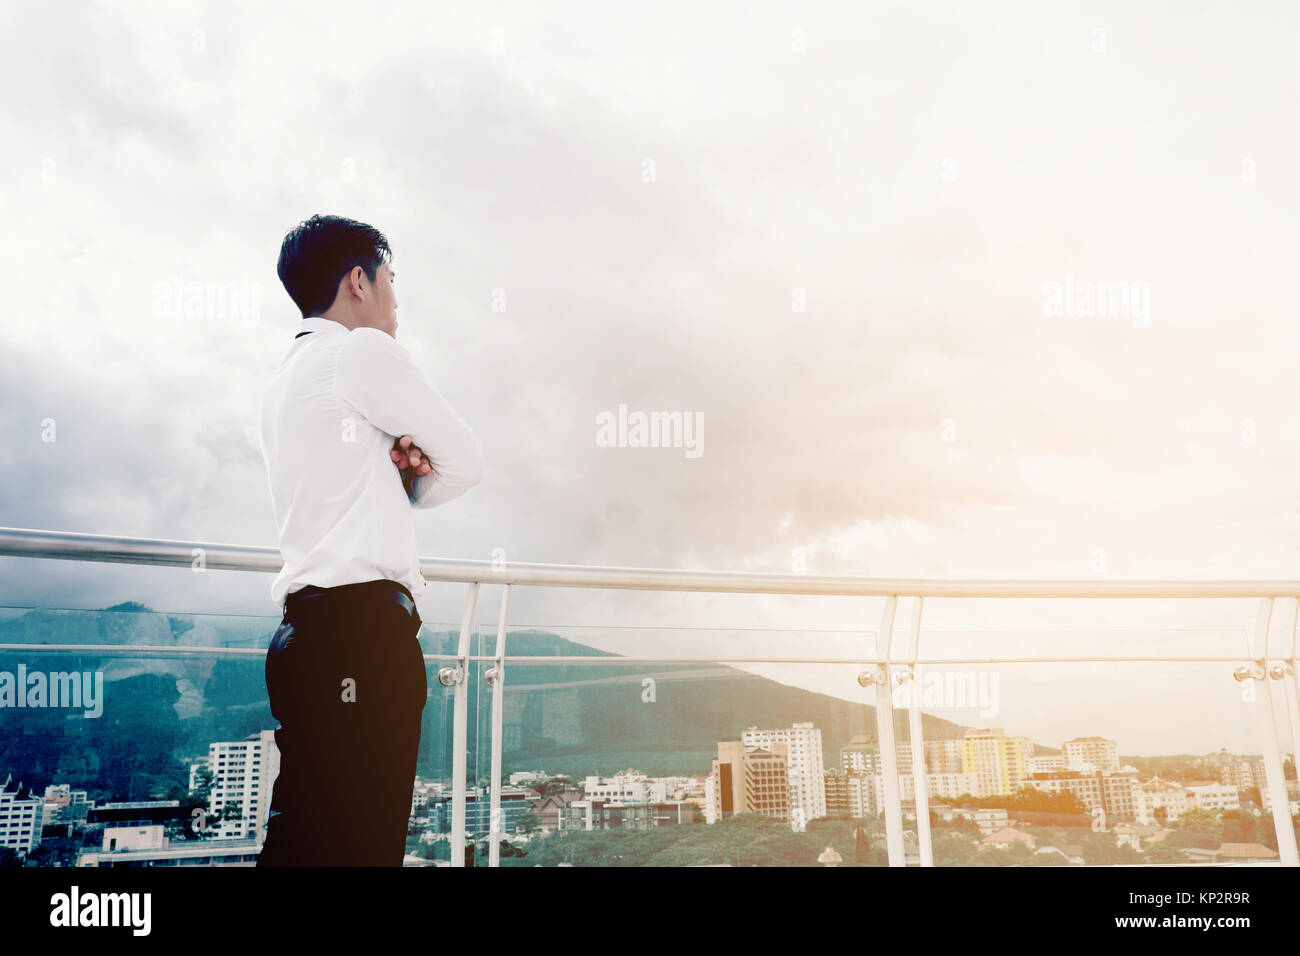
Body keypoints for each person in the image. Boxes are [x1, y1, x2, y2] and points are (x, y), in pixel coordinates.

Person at [256, 214, 483, 865]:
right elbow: (466, 459)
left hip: (302, 635)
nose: (395, 299)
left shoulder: (284, 377)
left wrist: (403, 478)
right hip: (360, 636)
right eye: (390, 279)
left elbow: (344, 484)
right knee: (362, 844)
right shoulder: (358, 351)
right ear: (358, 280)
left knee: (302, 836)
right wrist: (422, 474)